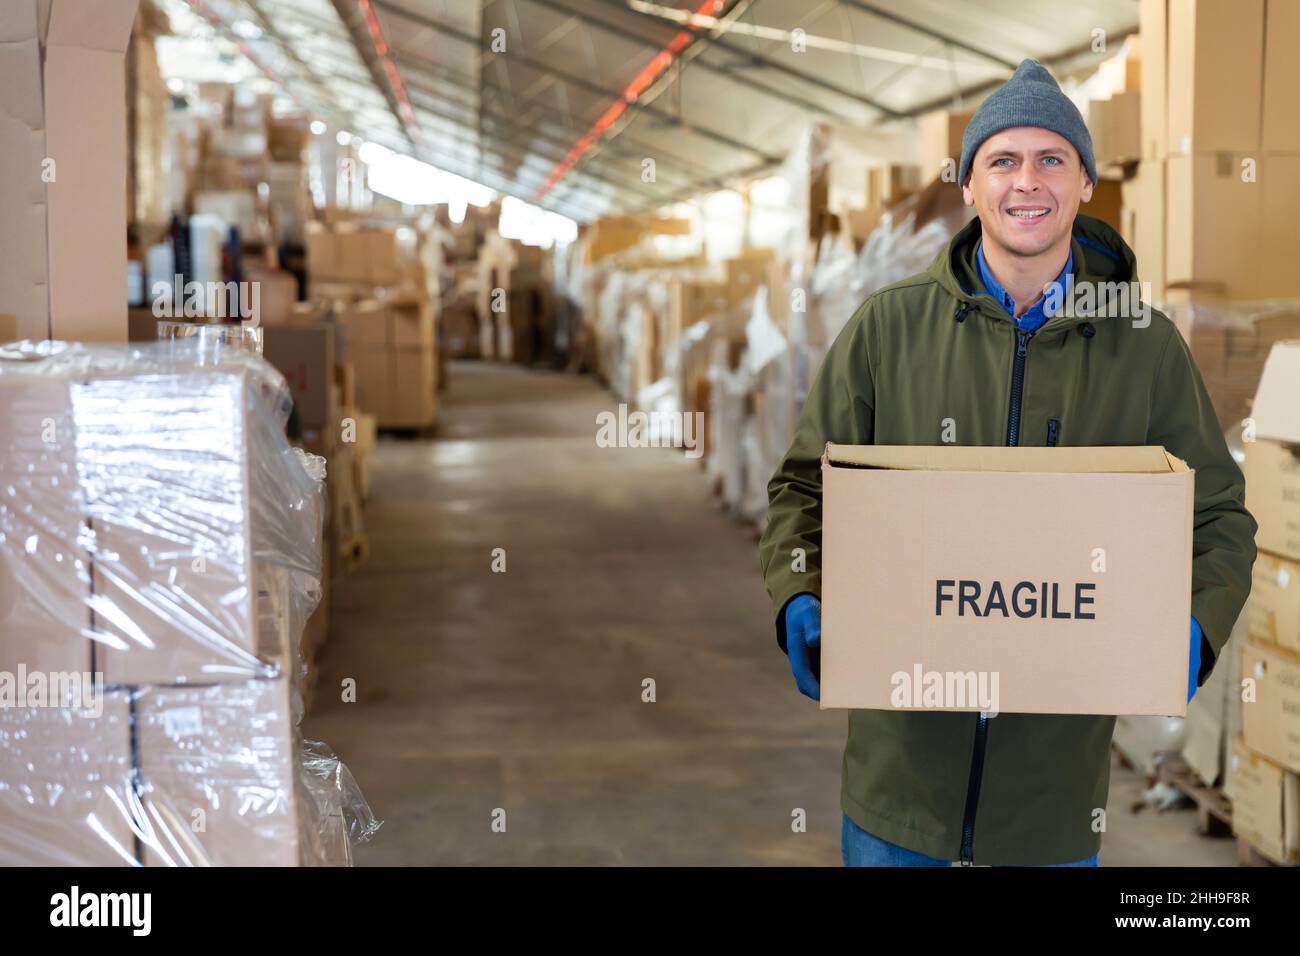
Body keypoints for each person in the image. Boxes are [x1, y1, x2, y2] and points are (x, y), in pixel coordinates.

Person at [758, 59, 1256, 867]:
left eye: (1052, 158)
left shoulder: (1143, 346)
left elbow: (1219, 517)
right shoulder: (890, 331)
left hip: (1050, 805)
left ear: (1087, 181)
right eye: (1004, 160)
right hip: (898, 796)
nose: (1028, 182)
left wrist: (1195, 628)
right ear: (969, 185)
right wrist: (799, 595)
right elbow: (801, 489)